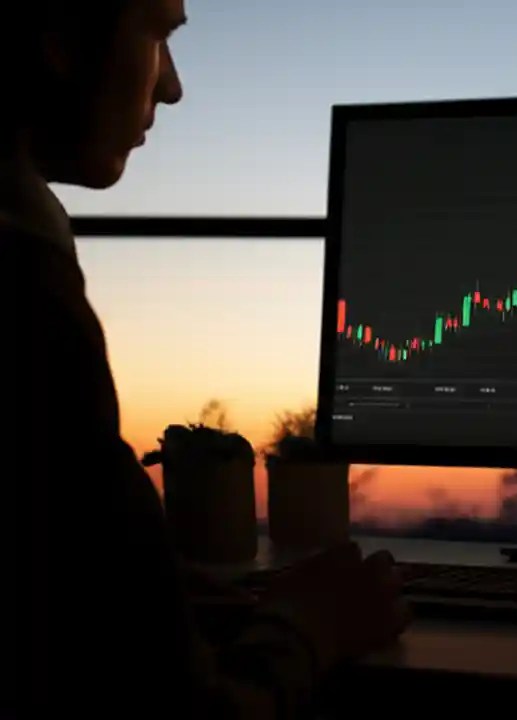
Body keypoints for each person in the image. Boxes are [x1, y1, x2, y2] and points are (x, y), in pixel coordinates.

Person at [1, 1, 412, 717]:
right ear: (57, 36)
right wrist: (305, 628)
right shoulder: (21, 297)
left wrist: (138, 589)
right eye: (158, 33)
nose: (172, 86)